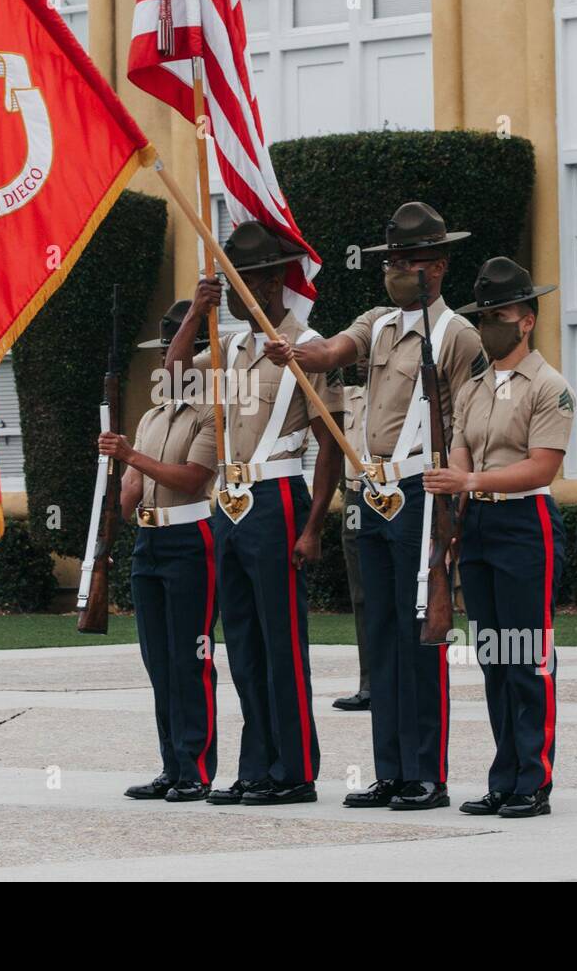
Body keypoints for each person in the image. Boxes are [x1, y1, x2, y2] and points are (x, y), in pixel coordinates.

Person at [264, 201, 485, 810]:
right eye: (390, 260)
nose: (393, 270)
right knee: (381, 637)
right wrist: (297, 353)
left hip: (421, 490)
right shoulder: (380, 322)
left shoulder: (457, 336)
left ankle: (426, 775)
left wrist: (455, 509)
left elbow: (468, 422)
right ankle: (390, 769)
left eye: (405, 260)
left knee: (421, 634)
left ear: (436, 266)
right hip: (374, 492)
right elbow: (335, 350)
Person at [166, 221, 343, 806]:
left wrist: (315, 525)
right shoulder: (229, 346)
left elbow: (331, 447)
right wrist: (195, 313)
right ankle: (254, 766)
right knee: (240, 643)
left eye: (246, 282)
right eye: (231, 283)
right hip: (229, 503)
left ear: (272, 282)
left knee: (281, 642)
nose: (238, 293)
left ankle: (292, 770)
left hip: (277, 500)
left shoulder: (307, 344)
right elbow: (171, 383)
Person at [424, 256, 575, 819]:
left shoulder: (549, 387)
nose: (488, 323)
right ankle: (503, 775)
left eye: (499, 314)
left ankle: (533, 779)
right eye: (482, 314)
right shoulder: (475, 388)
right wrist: (454, 490)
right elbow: (461, 442)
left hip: (524, 522)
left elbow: (541, 468)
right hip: (479, 524)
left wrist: (470, 479)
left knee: (528, 654)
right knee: (492, 654)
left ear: (526, 320)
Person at [99, 302, 218, 804]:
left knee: (190, 658)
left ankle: (197, 769)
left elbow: (192, 480)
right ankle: (172, 765)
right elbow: (131, 492)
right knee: (158, 661)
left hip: (192, 540)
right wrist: (113, 481)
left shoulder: (214, 412)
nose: (166, 364)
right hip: (149, 542)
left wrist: (131, 456)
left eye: (176, 353)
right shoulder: (150, 417)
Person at [333, 374, 370, 711]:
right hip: (356, 497)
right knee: (361, 595)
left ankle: (409, 680)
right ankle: (369, 683)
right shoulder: (346, 397)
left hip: (398, 494)